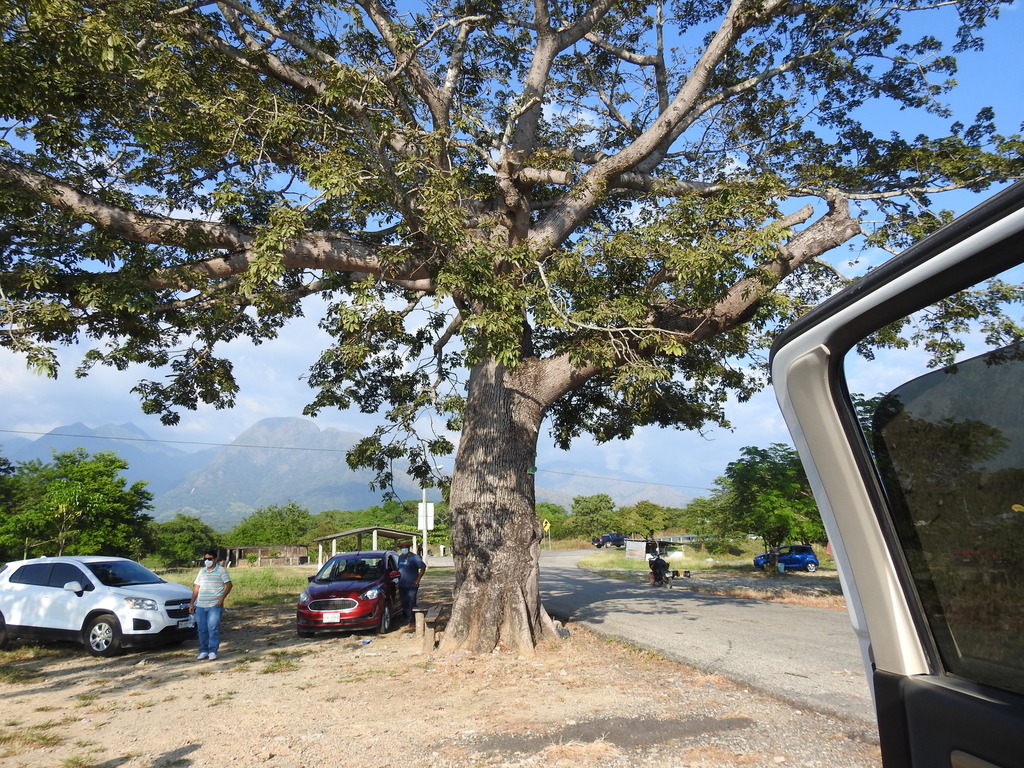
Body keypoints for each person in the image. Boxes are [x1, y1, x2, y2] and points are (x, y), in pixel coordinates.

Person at [190, 551, 232, 660]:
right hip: (200, 605)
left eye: (210, 558)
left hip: (214, 605)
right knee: (202, 629)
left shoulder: (221, 570)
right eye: (205, 559)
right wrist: (192, 603)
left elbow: (228, 585)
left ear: (215, 559)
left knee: (213, 628)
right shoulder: (202, 571)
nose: (207, 561)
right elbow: (196, 588)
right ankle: (203, 650)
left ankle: (213, 650)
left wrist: (221, 599)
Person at [396, 541, 426, 631]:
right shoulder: (400, 557)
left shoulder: (414, 557)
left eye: (405, 547)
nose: (404, 549)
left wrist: (418, 579)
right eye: (402, 548)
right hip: (402, 584)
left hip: (412, 584)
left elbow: (423, 567)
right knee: (404, 603)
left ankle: (413, 621)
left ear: (408, 548)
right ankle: (408, 619)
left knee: (411, 602)